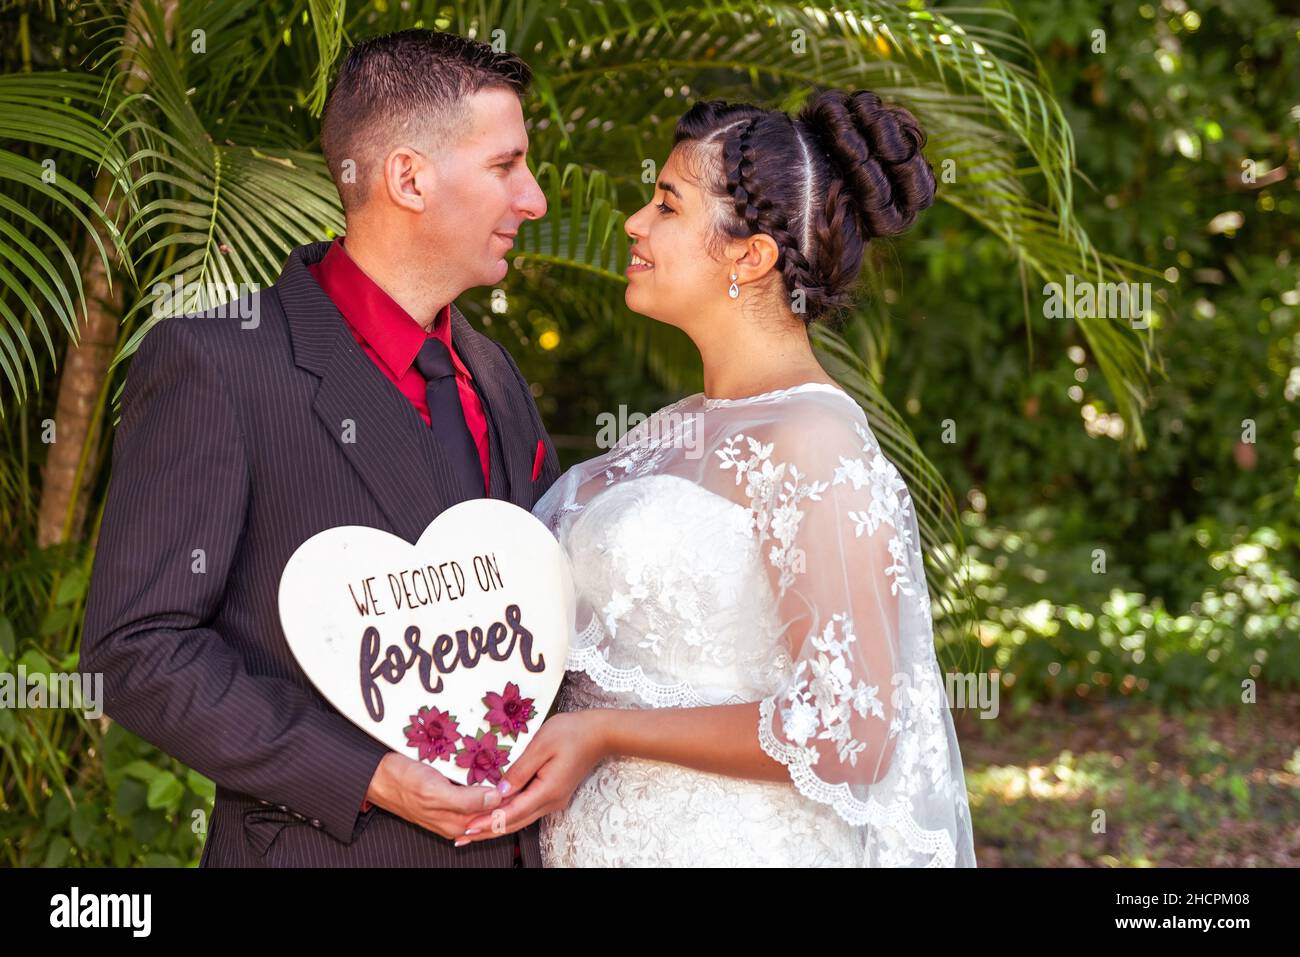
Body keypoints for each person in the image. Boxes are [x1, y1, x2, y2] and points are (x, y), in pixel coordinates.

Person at [454, 91, 978, 866]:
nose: (635, 221)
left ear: (750, 255)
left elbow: (853, 728)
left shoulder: (815, 440)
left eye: (668, 204)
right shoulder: (672, 428)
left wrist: (605, 730)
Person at [80, 30, 559, 867]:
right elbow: (136, 649)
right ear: (409, 177)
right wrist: (369, 773)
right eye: (505, 166)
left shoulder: (492, 370)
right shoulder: (218, 363)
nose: (535, 198)